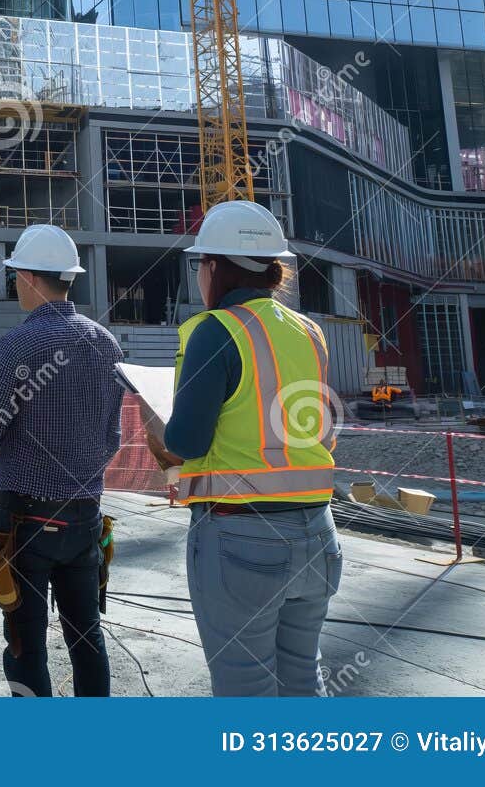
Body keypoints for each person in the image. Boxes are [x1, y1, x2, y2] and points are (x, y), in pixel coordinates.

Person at [144, 200, 341, 697]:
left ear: (214, 268)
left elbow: (187, 441)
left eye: (201, 266)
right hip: (318, 532)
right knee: (302, 680)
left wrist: (158, 432)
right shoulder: (310, 332)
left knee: (245, 692)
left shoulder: (214, 331)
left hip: (241, 538)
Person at [0, 224, 123, 697]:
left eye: (16, 275)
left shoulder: (16, 345)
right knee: (86, 636)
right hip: (84, 518)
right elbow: (110, 439)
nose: (14, 284)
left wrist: (0, 452)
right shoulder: (106, 343)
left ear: (31, 277)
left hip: (24, 521)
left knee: (24, 644)